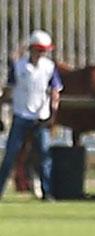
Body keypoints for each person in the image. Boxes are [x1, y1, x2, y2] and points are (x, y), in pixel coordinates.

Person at [0, 30, 62, 201]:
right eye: (41, 49)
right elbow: (9, 89)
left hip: (41, 117)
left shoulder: (49, 67)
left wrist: (53, 112)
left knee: (44, 155)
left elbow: (55, 90)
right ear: (33, 49)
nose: (43, 53)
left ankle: (47, 192)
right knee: (11, 154)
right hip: (21, 115)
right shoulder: (19, 66)